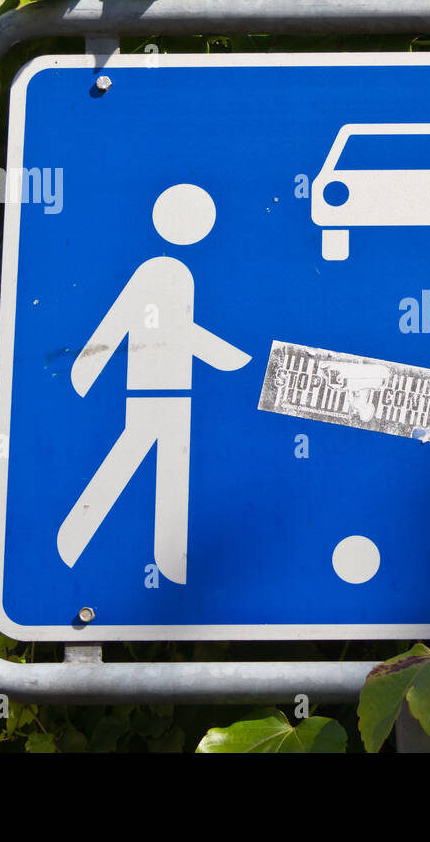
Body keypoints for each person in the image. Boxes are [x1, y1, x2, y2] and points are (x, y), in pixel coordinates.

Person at [56, 183, 250, 585]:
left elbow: (179, 328)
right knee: (132, 456)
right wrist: (86, 370)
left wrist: (225, 358)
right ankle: (73, 537)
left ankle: (170, 562)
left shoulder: (179, 274)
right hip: (149, 390)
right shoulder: (159, 272)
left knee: (172, 469)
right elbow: (125, 322)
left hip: (180, 392)